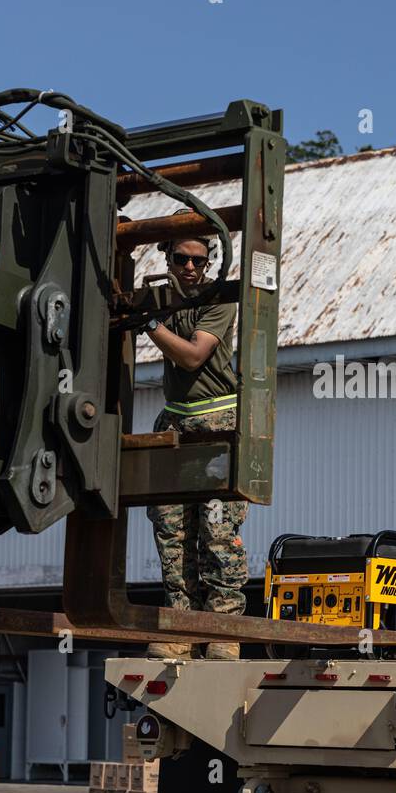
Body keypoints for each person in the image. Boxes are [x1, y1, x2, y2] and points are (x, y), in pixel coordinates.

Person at [144, 216, 247, 660]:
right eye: (182, 259)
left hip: (217, 421)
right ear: (167, 259)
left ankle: (223, 628)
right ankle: (181, 627)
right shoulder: (161, 299)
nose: (191, 268)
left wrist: (149, 324)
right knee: (172, 529)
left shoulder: (220, 299)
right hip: (176, 422)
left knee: (217, 529)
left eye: (199, 261)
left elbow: (192, 357)